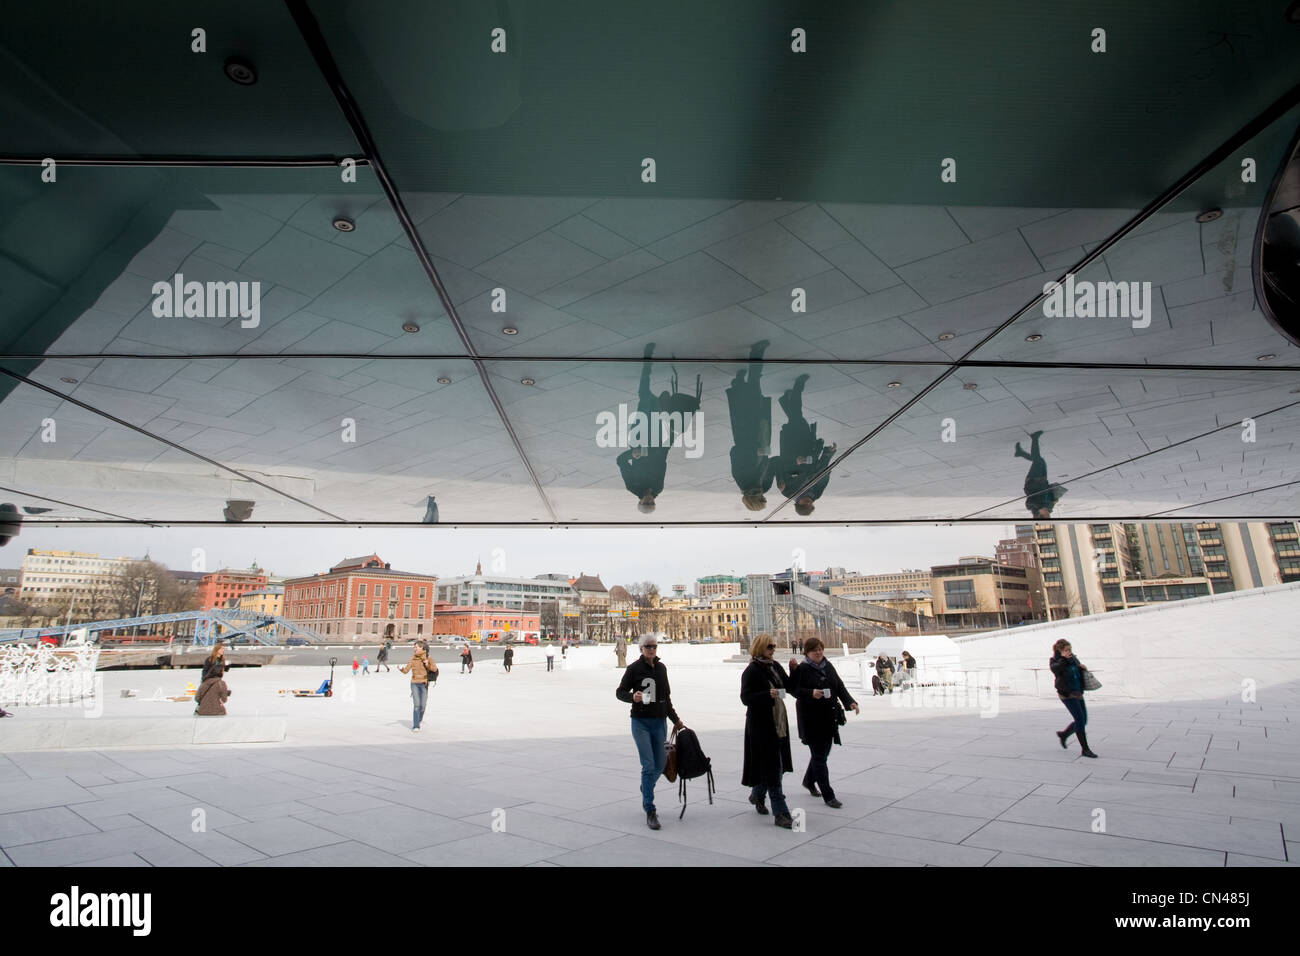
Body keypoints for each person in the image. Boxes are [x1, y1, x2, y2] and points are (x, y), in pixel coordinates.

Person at [615, 633, 685, 830]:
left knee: (661, 762)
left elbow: (666, 697)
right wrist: (633, 697)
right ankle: (650, 808)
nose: (651, 649)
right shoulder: (634, 669)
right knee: (648, 764)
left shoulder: (662, 669)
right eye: (647, 646)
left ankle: (645, 787)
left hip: (659, 722)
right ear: (641, 649)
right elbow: (620, 692)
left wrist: (676, 720)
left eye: (654, 646)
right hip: (641, 723)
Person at [788, 637, 859, 809]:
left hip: (829, 718)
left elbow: (839, 685)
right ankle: (828, 795)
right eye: (814, 651)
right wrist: (811, 693)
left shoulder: (827, 665)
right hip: (811, 719)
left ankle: (808, 781)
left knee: (822, 754)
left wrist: (850, 701)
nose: (818, 653)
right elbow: (794, 690)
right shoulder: (803, 669)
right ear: (807, 653)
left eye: (820, 649)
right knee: (820, 757)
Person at [740, 633, 795, 828]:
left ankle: (757, 794)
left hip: (778, 721)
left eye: (774, 647)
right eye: (770, 647)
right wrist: (766, 694)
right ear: (760, 648)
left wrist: (794, 670)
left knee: (773, 766)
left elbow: (789, 686)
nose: (773, 650)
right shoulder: (751, 671)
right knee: (774, 768)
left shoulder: (775, 666)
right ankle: (781, 814)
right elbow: (745, 698)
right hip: (762, 726)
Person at [1050, 639, 1097, 757]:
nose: (1069, 652)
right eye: (1066, 650)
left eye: (1069, 649)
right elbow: (1056, 670)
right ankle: (1085, 749)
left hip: (1077, 691)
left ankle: (1064, 734)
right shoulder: (1055, 661)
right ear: (1059, 650)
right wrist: (1063, 659)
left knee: (1083, 720)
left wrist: (1082, 668)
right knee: (1080, 719)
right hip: (1066, 694)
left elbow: (1075, 671)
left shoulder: (1073, 658)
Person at [1015, 430, 1067, 519]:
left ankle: (1034, 438)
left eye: (1046, 515)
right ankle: (1020, 453)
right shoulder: (1050, 507)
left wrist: (1040, 507)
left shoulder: (1031, 506)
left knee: (1038, 461)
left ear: (1039, 514)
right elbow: (1052, 496)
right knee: (1040, 460)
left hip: (1033, 480)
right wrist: (1055, 498)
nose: (1048, 513)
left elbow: (1030, 498)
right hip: (1043, 481)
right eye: (1048, 514)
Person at [399, 645, 437, 732]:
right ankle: (416, 725)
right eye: (414, 647)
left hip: (424, 683)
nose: (415, 648)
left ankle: (419, 719)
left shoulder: (428, 658)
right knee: (417, 705)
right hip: (414, 683)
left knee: (422, 706)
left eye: (417, 647)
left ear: (422, 648)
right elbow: (406, 671)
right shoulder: (412, 658)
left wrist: (427, 664)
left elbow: (434, 669)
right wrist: (401, 669)